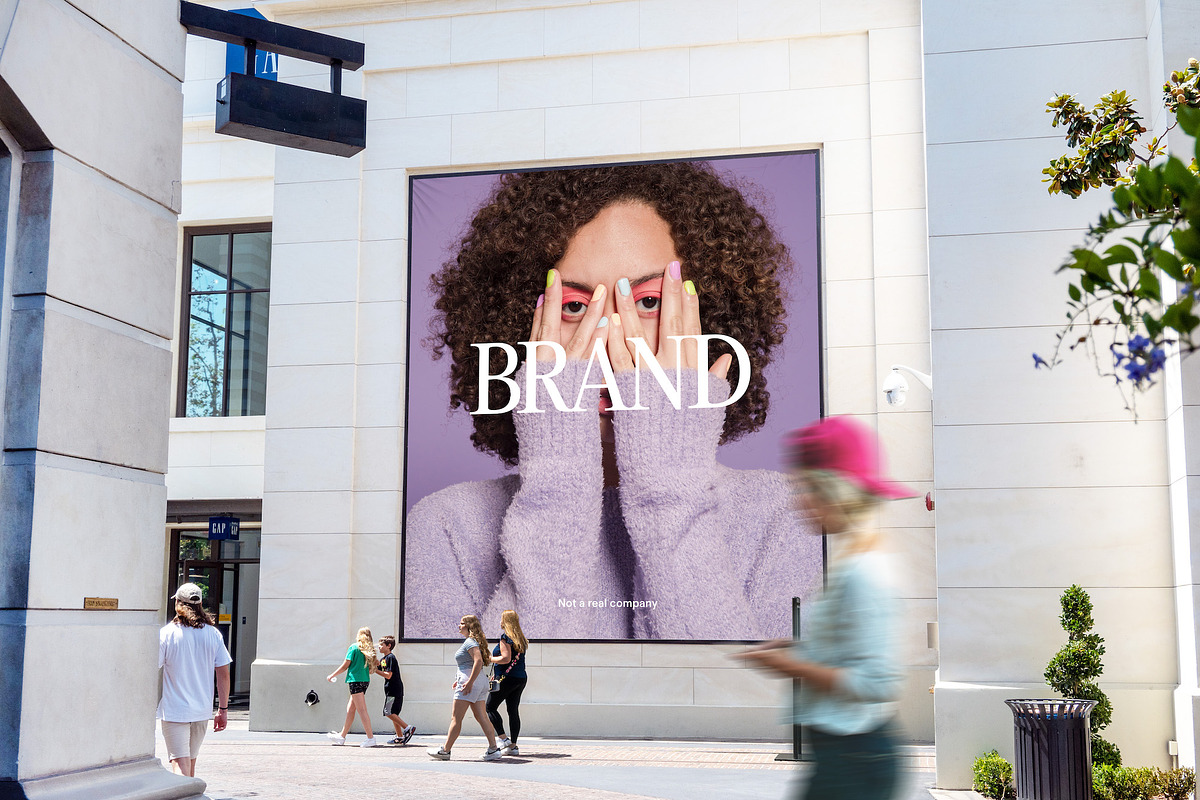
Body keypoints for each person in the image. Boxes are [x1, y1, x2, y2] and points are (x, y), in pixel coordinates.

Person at [405, 162, 821, 640]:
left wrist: (669, 487)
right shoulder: (448, 527)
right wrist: (557, 484)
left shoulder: (782, 517)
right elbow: (495, 708)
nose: (611, 341)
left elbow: (740, 709)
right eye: (575, 307)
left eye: (648, 302)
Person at [734, 416, 912, 800]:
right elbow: (846, 654)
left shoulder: (866, 572)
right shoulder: (852, 560)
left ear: (837, 491)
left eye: (807, 488)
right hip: (842, 756)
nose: (799, 503)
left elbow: (876, 681)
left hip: (855, 760)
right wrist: (795, 650)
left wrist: (793, 666)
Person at [157, 582, 232, 778]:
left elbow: (150, 667)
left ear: (178, 604)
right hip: (201, 711)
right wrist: (222, 709)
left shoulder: (167, 634)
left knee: (180, 766)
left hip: (175, 710)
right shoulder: (213, 634)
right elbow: (223, 673)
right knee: (189, 764)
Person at [428, 615, 504, 761]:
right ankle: (494, 748)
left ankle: (445, 750)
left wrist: (469, 682)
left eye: (462, 623)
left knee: (456, 718)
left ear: (469, 626)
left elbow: (478, 661)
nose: (459, 625)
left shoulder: (470, 642)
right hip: (478, 682)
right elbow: (473, 663)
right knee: (481, 716)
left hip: (471, 683)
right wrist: (462, 680)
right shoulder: (474, 642)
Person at [325, 627, 380, 747]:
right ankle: (342, 736)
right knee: (351, 709)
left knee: (362, 710)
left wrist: (332, 675)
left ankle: (371, 738)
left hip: (355, 681)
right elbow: (378, 663)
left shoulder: (354, 647)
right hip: (365, 680)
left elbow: (345, 666)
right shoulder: (369, 649)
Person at [486, 609, 529, 756]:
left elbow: (505, 658)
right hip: (520, 678)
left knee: (489, 707)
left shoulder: (505, 638)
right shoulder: (521, 639)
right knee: (513, 710)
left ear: (505, 621)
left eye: (501, 618)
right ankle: (513, 746)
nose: (499, 621)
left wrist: (489, 659)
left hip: (507, 679)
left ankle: (503, 738)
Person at [376, 635, 415, 745]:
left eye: (381, 645)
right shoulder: (383, 659)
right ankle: (399, 737)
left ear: (388, 646)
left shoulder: (390, 658)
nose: (379, 647)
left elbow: (388, 675)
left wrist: (375, 670)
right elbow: (377, 668)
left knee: (388, 712)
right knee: (394, 714)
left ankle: (408, 728)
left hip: (394, 689)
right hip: (390, 690)